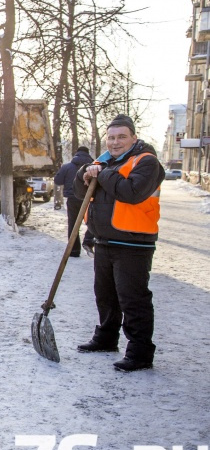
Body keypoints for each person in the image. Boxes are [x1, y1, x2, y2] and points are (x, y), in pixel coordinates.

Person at [74, 114, 164, 372]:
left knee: (133, 298)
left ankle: (139, 352)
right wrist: (85, 173)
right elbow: (80, 192)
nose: (115, 142)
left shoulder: (147, 162)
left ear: (133, 138)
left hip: (133, 243)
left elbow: (131, 193)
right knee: (106, 295)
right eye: (111, 137)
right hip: (104, 240)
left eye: (121, 137)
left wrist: (102, 174)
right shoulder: (103, 162)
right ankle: (106, 337)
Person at [54, 146, 96, 257]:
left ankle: (74, 250)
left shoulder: (67, 167)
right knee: (94, 222)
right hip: (90, 199)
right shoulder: (94, 167)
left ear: (76, 154)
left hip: (73, 199)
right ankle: (88, 241)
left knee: (73, 224)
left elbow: (57, 180)